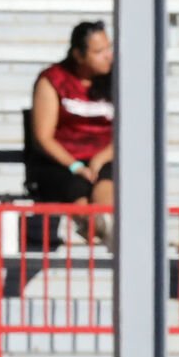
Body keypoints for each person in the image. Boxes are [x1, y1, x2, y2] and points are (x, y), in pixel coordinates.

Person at [28, 21, 115, 237]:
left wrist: (100, 158)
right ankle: (95, 227)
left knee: (106, 200)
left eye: (108, 48)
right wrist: (76, 166)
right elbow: (43, 136)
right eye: (98, 51)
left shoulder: (119, 79)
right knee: (80, 195)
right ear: (78, 54)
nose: (107, 56)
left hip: (104, 158)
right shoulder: (53, 80)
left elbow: (130, 132)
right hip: (63, 162)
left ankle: (107, 230)